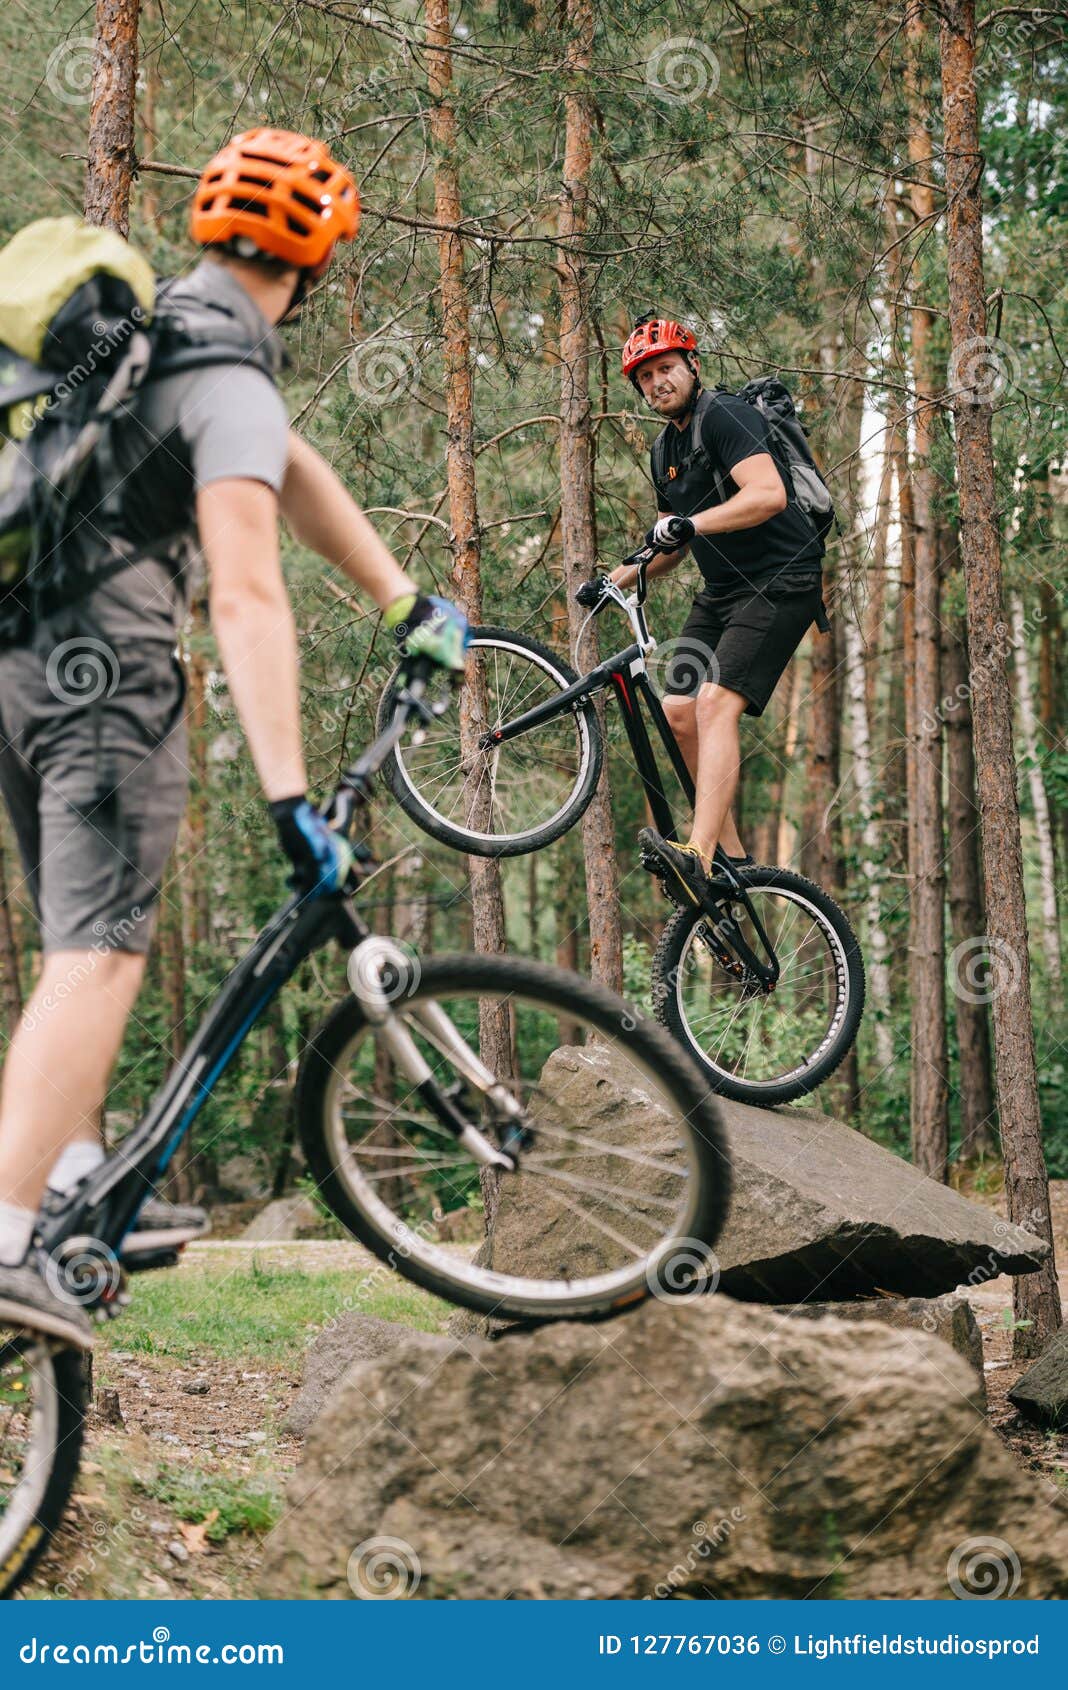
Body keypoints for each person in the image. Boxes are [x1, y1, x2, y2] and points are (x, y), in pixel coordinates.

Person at [0, 128, 468, 1348]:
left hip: (17, 668)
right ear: (310, 268)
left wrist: (399, 595)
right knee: (102, 954)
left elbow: (290, 468)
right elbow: (249, 591)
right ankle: (4, 1244)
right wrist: (289, 798)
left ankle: (70, 1185)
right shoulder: (229, 376)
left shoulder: (152, 338)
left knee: (72, 944)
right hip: (105, 685)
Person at [611, 314, 828, 911]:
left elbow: (768, 495)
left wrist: (691, 523)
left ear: (693, 366)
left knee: (714, 703)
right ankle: (732, 860)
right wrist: (614, 578)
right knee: (678, 709)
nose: (658, 382)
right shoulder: (664, 450)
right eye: (645, 377)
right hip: (722, 591)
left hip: (783, 579)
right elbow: (674, 547)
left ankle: (700, 852)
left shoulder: (727, 417)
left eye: (666, 369)